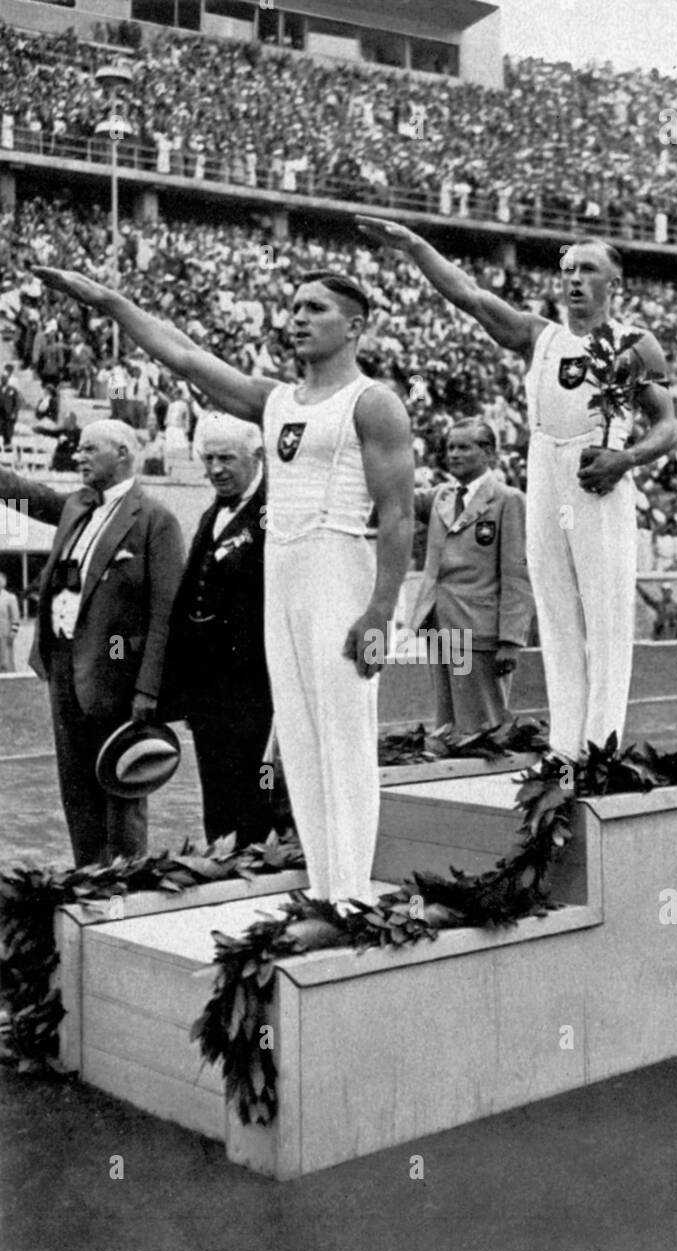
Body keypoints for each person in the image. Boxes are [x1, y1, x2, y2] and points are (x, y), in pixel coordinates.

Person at [35, 265, 414, 906]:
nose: (297, 317)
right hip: (284, 580)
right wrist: (111, 302)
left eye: (315, 308)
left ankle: (354, 895)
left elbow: (398, 513)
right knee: (297, 739)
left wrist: (380, 611)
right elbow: (185, 356)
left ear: (354, 326)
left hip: (337, 567)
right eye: (293, 305)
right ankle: (325, 889)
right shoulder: (276, 402)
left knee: (342, 741)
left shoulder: (372, 402)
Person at [357, 218, 677, 762]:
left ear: (614, 285)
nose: (574, 279)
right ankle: (566, 746)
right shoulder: (539, 336)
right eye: (568, 269)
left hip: (597, 474)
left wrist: (625, 458)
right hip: (545, 469)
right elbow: (470, 296)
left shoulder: (633, 344)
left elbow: (668, 425)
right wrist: (413, 246)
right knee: (554, 616)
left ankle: (602, 746)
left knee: (604, 618)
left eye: (588, 270)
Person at [0, 421, 184, 866]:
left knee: (121, 788)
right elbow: (23, 496)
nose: (77, 456)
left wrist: (148, 689)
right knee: (76, 787)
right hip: (62, 666)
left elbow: (165, 616)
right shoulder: (76, 506)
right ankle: (88, 878)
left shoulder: (156, 520)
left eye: (88, 449)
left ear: (122, 453)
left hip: (118, 672)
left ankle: (123, 888)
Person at [161, 412, 273, 848]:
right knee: (216, 785)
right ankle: (221, 860)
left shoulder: (273, 512)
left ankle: (255, 868)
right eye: (208, 459)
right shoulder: (213, 512)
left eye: (226, 458)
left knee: (258, 785)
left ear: (257, 456)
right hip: (211, 690)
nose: (215, 469)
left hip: (256, 686)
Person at [412, 418, 534, 739]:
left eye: (463, 447)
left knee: (482, 727)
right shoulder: (440, 496)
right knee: (447, 723)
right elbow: (398, 500)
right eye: (450, 447)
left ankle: (488, 786)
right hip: (439, 621)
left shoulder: (508, 500)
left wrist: (511, 640)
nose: (453, 454)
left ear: (489, 453)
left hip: (479, 631)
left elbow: (517, 574)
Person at [0, 570, 21, 672]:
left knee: (6, 660)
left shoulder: (10, 598)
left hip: (5, 633)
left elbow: (15, 617)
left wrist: (13, 631)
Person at [0, 364, 20, 450]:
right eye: (2, 379)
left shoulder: (12, 390)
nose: (3, 380)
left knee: (8, 431)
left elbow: (17, 403)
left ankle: (7, 447)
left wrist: (14, 412)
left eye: (5, 378)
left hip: (9, 413)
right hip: (0, 414)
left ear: (7, 380)